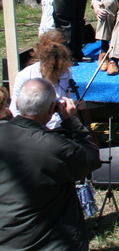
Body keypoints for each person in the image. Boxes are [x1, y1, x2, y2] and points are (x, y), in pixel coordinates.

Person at [0, 78, 102, 251]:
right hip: (52, 244)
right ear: (51, 109)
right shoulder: (57, 147)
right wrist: (72, 120)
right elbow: (91, 159)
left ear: (16, 102)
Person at [10, 31, 82, 130]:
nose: (59, 75)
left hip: (60, 126)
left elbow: (68, 97)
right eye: (55, 72)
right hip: (34, 128)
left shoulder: (66, 73)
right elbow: (14, 109)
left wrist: (74, 105)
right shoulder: (25, 75)